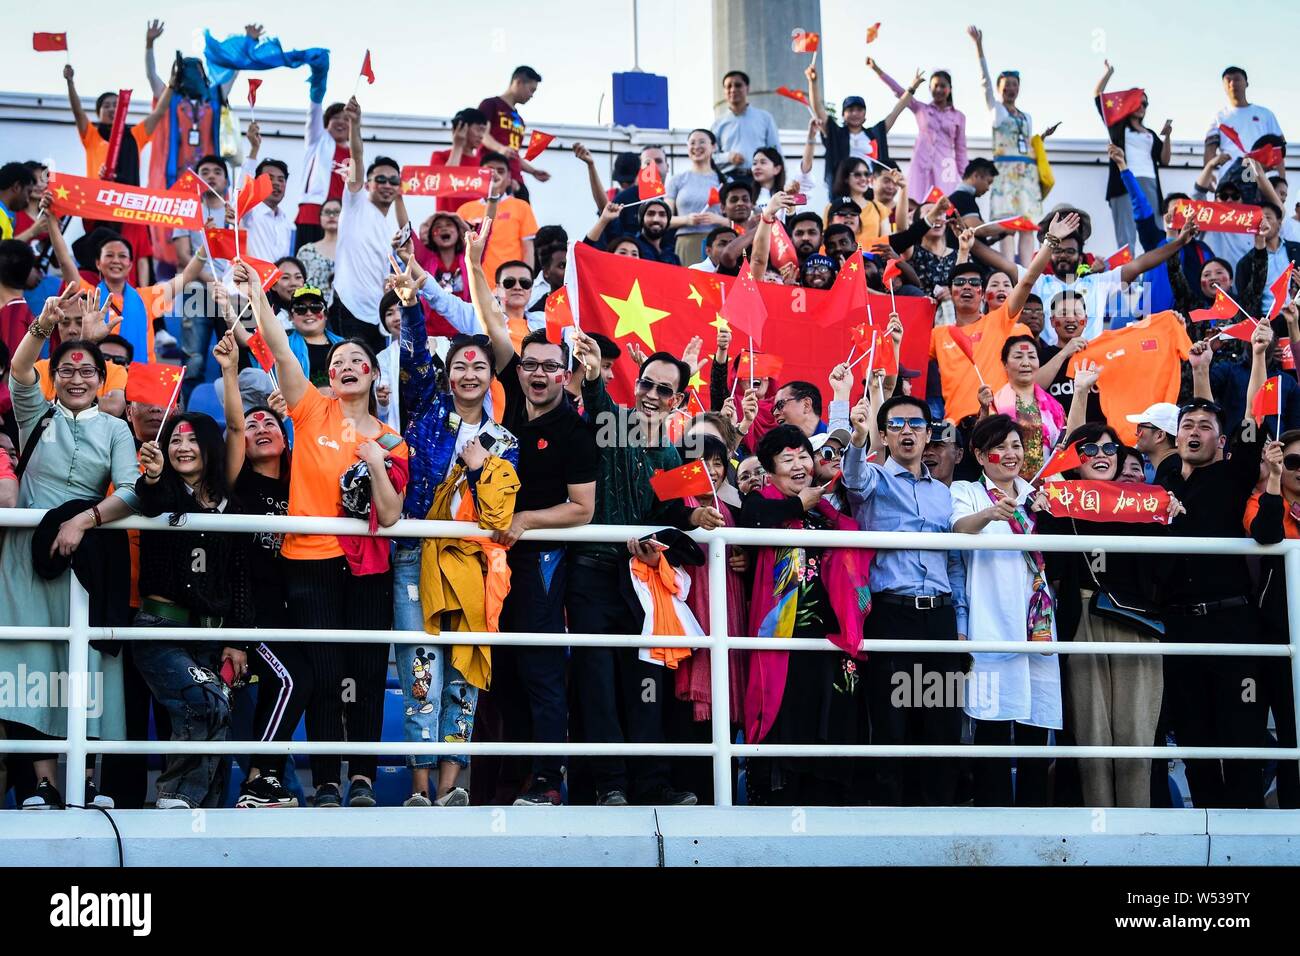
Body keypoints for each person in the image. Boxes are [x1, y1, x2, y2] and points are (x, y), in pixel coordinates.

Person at [239, 259, 409, 810]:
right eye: (339, 361)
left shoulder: (392, 438)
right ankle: (327, 781)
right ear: (330, 375)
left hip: (367, 567)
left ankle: (361, 777)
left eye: (360, 359)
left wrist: (376, 461)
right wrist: (257, 295)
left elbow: (393, 513)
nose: (349, 365)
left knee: (362, 667)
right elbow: (280, 351)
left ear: (375, 374)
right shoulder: (310, 408)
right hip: (309, 561)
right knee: (327, 670)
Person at [462, 226, 597, 806]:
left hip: (537, 557)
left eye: (549, 367)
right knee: (499, 674)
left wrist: (525, 522)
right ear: (516, 372)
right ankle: (499, 782)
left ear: (565, 376)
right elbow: (493, 322)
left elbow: (583, 509)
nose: (538, 373)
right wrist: (473, 258)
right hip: (491, 557)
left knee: (541, 670)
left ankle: (547, 779)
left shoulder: (576, 429)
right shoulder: (513, 403)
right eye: (529, 365)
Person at [562, 326, 723, 806]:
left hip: (641, 581)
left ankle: (651, 784)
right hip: (592, 573)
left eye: (664, 389)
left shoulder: (675, 452)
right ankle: (609, 785)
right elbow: (595, 399)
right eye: (647, 384)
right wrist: (592, 372)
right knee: (597, 683)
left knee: (646, 683)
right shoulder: (614, 420)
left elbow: (672, 513)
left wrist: (695, 515)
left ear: (678, 400)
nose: (652, 395)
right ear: (636, 385)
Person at [0, 287, 140, 809]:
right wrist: (42, 326)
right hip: (26, 562)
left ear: (103, 381)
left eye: (87, 373)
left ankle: (82, 777)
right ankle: (43, 782)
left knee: (85, 663)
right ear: (53, 379)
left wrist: (84, 520)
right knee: (32, 661)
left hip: (88, 559)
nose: (77, 378)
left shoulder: (115, 430)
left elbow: (131, 490)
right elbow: (19, 372)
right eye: (66, 372)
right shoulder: (37, 415)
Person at [1035, 422, 1181, 807]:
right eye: (1090, 451)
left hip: (1137, 624)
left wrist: (1171, 518)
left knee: (1138, 726)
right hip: (1082, 616)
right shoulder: (1060, 502)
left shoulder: (1145, 500)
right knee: (1090, 727)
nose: (1101, 456)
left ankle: (1138, 829)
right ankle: (1096, 826)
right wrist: (1045, 511)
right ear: (1074, 460)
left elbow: (1164, 572)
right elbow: (1051, 565)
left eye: (1109, 449)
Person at [1158, 322, 1271, 808]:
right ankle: (1203, 822)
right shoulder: (1162, 475)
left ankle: (1243, 827)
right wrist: (1198, 372)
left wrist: (1260, 355)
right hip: (1177, 629)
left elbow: (1249, 416)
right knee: (1194, 736)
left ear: (1221, 442)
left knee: (1241, 732)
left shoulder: (1233, 473)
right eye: (1186, 426)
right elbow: (1204, 412)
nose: (1194, 432)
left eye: (1205, 428)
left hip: (1232, 626)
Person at [843, 386, 968, 806]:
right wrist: (857, 439)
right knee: (892, 722)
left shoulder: (943, 493)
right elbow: (853, 479)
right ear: (884, 435)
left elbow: (954, 561)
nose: (907, 431)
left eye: (916, 423)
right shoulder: (874, 479)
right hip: (890, 613)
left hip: (939, 616)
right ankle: (891, 823)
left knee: (943, 723)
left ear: (929, 433)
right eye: (896, 424)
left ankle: (942, 819)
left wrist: (962, 624)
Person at [739, 424, 870, 805]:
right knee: (786, 714)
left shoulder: (827, 508)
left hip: (830, 634)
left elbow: (853, 536)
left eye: (802, 456)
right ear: (770, 469)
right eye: (787, 459)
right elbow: (755, 520)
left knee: (832, 712)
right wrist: (800, 505)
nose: (798, 466)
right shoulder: (761, 502)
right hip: (783, 632)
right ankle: (781, 798)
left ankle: (828, 799)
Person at [133, 413, 251, 808]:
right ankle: (175, 798)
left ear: (209, 446)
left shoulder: (228, 502)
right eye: (175, 440)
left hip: (211, 634)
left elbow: (239, 577)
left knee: (217, 708)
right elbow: (150, 501)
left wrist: (236, 639)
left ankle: (206, 812)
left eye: (191, 439)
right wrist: (151, 476)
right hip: (160, 629)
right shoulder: (164, 489)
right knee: (204, 700)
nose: (182, 447)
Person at [212, 331, 308, 810]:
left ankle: (265, 779)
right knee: (292, 679)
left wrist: (293, 412)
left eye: (270, 421)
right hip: (249, 614)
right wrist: (230, 371)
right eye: (253, 426)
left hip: (290, 607)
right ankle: (260, 777)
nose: (260, 428)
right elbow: (231, 426)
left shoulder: (300, 483)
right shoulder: (237, 484)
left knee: (296, 678)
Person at [951, 414, 1062, 806]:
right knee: (993, 721)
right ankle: (993, 816)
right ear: (981, 455)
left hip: (1037, 618)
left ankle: (1033, 817)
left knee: (1036, 721)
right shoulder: (967, 490)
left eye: (1017, 445)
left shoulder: (1036, 495)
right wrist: (990, 514)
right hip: (992, 617)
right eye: (1001, 447)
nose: (1011, 454)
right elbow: (958, 528)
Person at [929, 213, 1078, 425]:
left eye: (974, 283)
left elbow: (1026, 282)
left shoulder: (999, 322)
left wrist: (1050, 241)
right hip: (955, 427)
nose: (967, 287)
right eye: (960, 283)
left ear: (981, 294)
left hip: (997, 424)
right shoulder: (939, 334)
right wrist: (963, 252)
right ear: (950, 292)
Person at [969, 26, 1058, 266]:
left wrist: (1043, 139)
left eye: (1014, 84)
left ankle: (1027, 269)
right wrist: (979, 46)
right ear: (999, 88)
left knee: (1028, 224)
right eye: (1006, 84)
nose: (1011, 88)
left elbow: (1026, 145)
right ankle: (1009, 267)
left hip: (1026, 174)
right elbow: (984, 82)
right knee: (1007, 224)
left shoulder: (1026, 116)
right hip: (1005, 173)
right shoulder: (996, 111)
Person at [1244, 431, 1300, 809]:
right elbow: (1265, 533)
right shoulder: (1259, 500)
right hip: (1276, 634)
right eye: (1293, 462)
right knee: (1287, 725)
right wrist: (1275, 479)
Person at [327, 98, 402, 354]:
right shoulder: (356, 202)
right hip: (348, 306)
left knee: (373, 381)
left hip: (377, 317)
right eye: (380, 178)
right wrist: (355, 124)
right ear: (368, 183)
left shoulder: (389, 224)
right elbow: (357, 157)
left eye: (393, 180)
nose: (387, 184)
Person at [1094, 62, 1173, 253]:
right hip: (1123, 182)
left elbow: (1164, 160)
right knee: (1126, 236)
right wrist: (1109, 72)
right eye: (1138, 101)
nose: (1142, 107)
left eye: (1145, 103)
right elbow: (1098, 97)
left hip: (1150, 182)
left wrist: (1168, 136)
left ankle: (1153, 275)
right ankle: (1127, 279)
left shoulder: (1150, 133)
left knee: (1154, 232)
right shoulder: (1117, 127)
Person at [806, 63, 915, 195]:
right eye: (850, 110)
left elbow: (896, 112)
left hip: (871, 191)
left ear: (864, 114)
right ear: (843, 115)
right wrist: (813, 82)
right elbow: (818, 109)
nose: (855, 113)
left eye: (859, 110)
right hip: (842, 191)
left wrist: (912, 88)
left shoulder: (875, 133)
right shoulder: (836, 134)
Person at [869, 59, 969, 200]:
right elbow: (900, 92)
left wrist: (967, 178)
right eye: (935, 86)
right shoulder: (921, 109)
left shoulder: (959, 116)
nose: (939, 89)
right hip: (921, 164)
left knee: (944, 204)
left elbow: (961, 150)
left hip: (946, 168)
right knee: (916, 203)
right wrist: (877, 70)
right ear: (930, 88)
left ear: (950, 89)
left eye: (943, 86)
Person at [977, 334, 1066, 479]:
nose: (1026, 363)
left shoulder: (1054, 407)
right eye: (1018, 357)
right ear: (1005, 363)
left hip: (1048, 487)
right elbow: (980, 444)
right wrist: (984, 410)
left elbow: (1063, 448)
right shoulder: (994, 403)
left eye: (1031, 357)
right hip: (1007, 484)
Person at [456, 152, 539, 289]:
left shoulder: (521, 207)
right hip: (474, 286)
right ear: (478, 175)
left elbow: (528, 249)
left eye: (500, 171)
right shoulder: (465, 210)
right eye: (488, 171)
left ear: (509, 178)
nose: (495, 175)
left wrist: (526, 283)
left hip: (508, 287)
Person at [295, 98, 352, 250]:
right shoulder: (318, 140)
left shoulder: (355, 153)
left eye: (346, 119)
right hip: (312, 212)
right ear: (326, 123)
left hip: (341, 218)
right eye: (336, 118)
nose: (341, 122)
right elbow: (314, 114)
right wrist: (317, 91)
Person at [479, 66, 550, 185]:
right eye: (531, 90)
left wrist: (533, 171)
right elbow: (482, 134)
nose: (531, 95)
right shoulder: (491, 105)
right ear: (518, 82)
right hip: (493, 175)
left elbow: (514, 154)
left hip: (516, 177)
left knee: (523, 203)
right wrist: (499, 148)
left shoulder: (519, 120)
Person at [664, 129, 726, 267]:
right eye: (692, 143)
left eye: (702, 142)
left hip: (717, 244)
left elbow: (738, 222)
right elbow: (664, 219)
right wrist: (687, 219)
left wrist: (719, 220)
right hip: (686, 243)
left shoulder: (724, 181)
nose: (696, 147)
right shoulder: (677, 180)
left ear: (713, 146)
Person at [1204, 66, 1285, 167]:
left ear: (1246, 83)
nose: (1232, 84)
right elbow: (1210, 147)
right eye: (1228, 80)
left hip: (1260, 176)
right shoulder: (1218, 117)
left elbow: (1279, 147)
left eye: (1237, 79)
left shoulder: (1266, 114)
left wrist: (1282, 179)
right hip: (1229, 178)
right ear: (1223, 86)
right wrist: (1208, 174)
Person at [239, 126, 294, 263]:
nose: (276, 183)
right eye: (270, 178)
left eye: (281, 179)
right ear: (257, 182)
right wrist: (254, 150)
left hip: (278, 283)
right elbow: (243, 191)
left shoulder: (286, 222)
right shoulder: (249, 213)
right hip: (253, 281)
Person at [711, 70, 779, 177]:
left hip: (759, 179)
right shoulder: (717, 124)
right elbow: (709, 156)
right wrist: (728, 157)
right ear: (724, 91)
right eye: (728, 86)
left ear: (747, 88)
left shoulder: (765, 118)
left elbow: (775, 151)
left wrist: (781, 180)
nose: (733, 89)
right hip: (728, 180)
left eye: (738, 85)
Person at [296, 197, 340, 304]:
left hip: (348, 314)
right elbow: (298, 285)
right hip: (314, 311)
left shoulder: (354, 252)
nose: (331, 216)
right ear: (320, 218)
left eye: (337, 212)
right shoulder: (306, 251)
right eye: (327, 212)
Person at [1126, 402, 1181, 483]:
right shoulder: (1178, 469)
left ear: (1159, 435)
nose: (1136, 434)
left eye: (1140, 429)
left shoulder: (1172, 477)